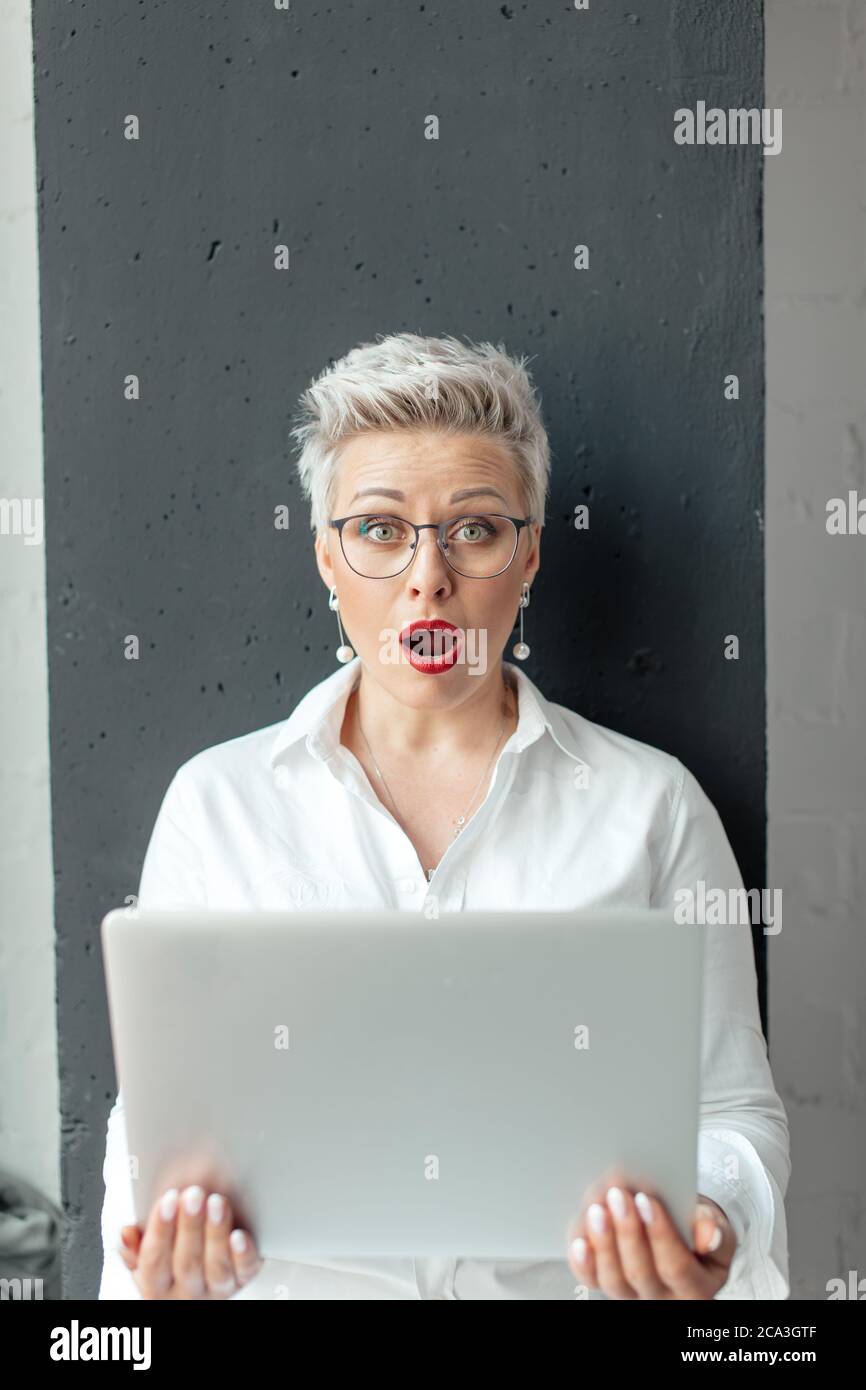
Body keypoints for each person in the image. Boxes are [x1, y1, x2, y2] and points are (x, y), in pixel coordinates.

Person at [98, 332, 790, 1300]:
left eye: (472, 529)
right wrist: (158, 1249)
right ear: (326, 560)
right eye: (379, 529)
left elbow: (732, 1116)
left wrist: (711, 1216)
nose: (427, 577)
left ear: (529, 555)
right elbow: (149, 1132)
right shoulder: (219, 808)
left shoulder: (651, 808)